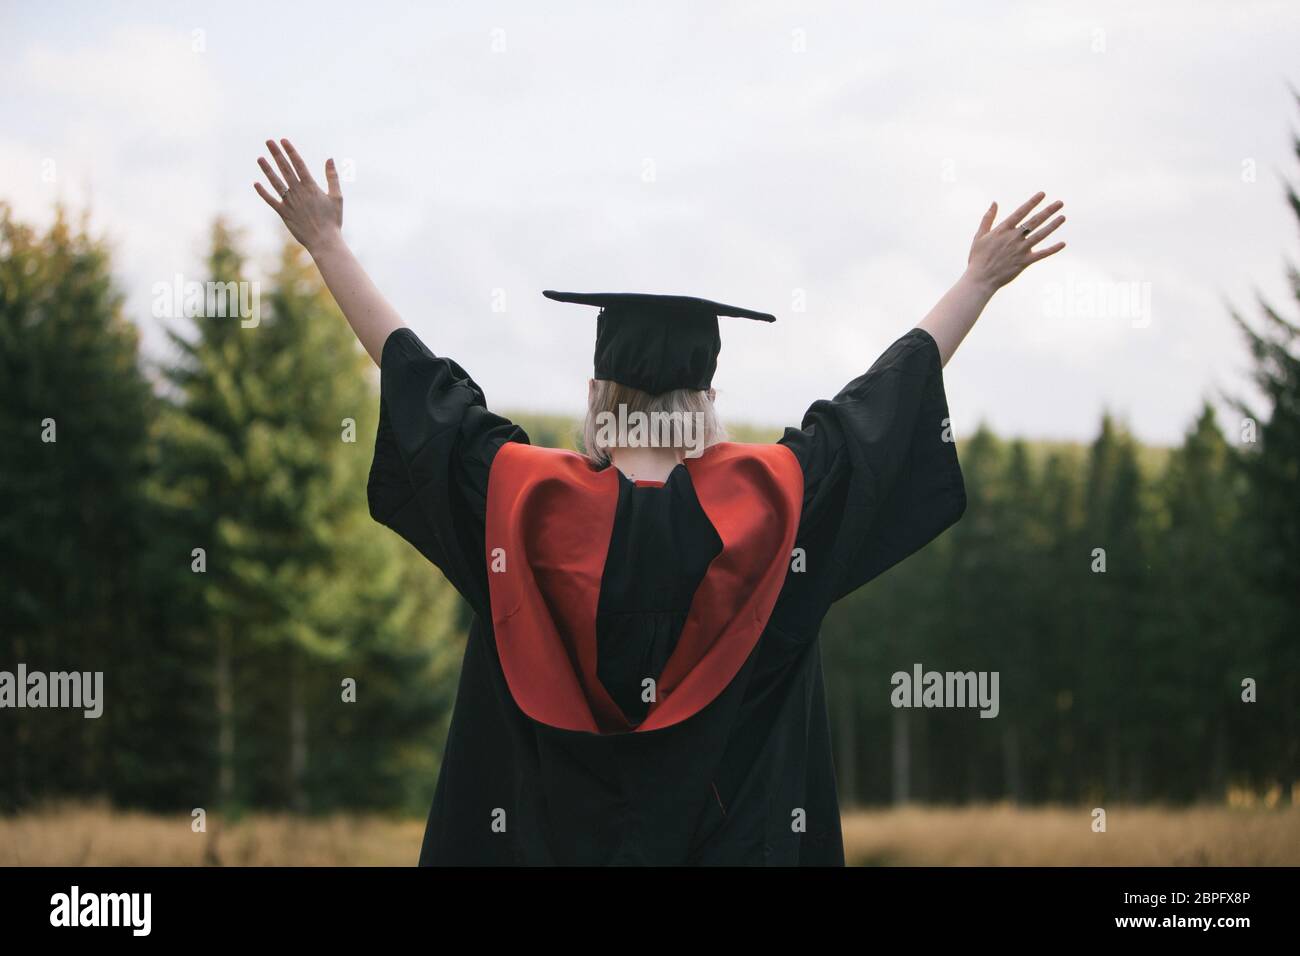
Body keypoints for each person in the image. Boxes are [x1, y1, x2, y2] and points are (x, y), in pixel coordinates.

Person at [254, 138, 1066, 865]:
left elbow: (422, 390)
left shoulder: (514, 504)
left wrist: (327, 246)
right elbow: (881, 409)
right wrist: (978, 280)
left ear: (597, 392)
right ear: (708, 397)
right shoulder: (784, 505)